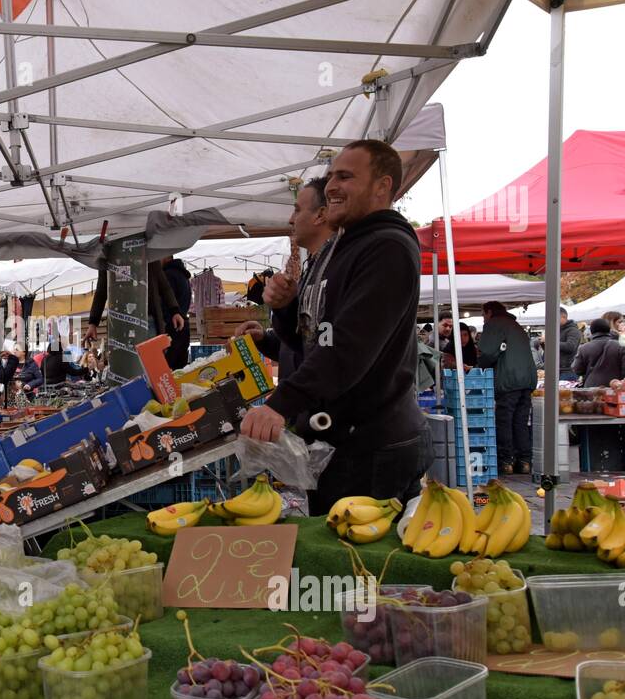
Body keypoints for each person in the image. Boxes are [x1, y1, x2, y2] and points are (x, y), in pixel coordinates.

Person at [240, 140, 428, 510]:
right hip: (340, 444)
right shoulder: (339, 251)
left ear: (382, 186)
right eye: (331, 177)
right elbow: (307, 340)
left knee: (363, 565)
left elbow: (350, 347)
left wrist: (281, 404)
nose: (332, 187)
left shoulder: (387, 248)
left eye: (346, 176)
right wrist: (285, 308)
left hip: (375, 448)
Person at [237, 176, 334, 378]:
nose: (291, 219)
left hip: (316, 405)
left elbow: (324, 353)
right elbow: (300, 343)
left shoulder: (335, 272)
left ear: (321, 215)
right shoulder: (312, 269)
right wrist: (264, 338)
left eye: (298, 210)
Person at [475, 300, 538, 476]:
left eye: (483, 315)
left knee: (505, 420)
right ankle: (525, 461)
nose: (483, 319)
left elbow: (486, 353)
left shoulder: (494, 324)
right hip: (527, 379)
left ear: (488, 312)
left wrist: (479, 365)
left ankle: (506, 461)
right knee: (521, 421)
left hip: (508, 379)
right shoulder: (515, 325)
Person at [84, 257, 185, 346]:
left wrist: (175, 311)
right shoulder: (108, 257)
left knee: (148, 363)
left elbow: (164, 286)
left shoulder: (149, 256)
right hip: (124, 322)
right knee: (139, 363)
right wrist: (93, 322)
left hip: (140, 321)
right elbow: (101, 291)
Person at [573, 317, 625, 388]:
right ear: (608, 330)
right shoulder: (620, 346)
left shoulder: (583, 348)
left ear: (592, 331)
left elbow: (577, 369)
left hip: (591, 389)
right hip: (616, 388)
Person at [161, 256, 194, 369]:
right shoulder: (183, 276)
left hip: (173, 327)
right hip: (183, 326)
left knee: (168, 369)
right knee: (180, 370)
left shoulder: (168, 275)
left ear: (166, 257)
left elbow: (166, 303)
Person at [556, 307, 581, 380]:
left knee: (563, 391)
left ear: (564, 317)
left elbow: (570, 347)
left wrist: (552, 342)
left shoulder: (573, 330)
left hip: (567, 371)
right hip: (557, 370)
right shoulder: (558, 330)